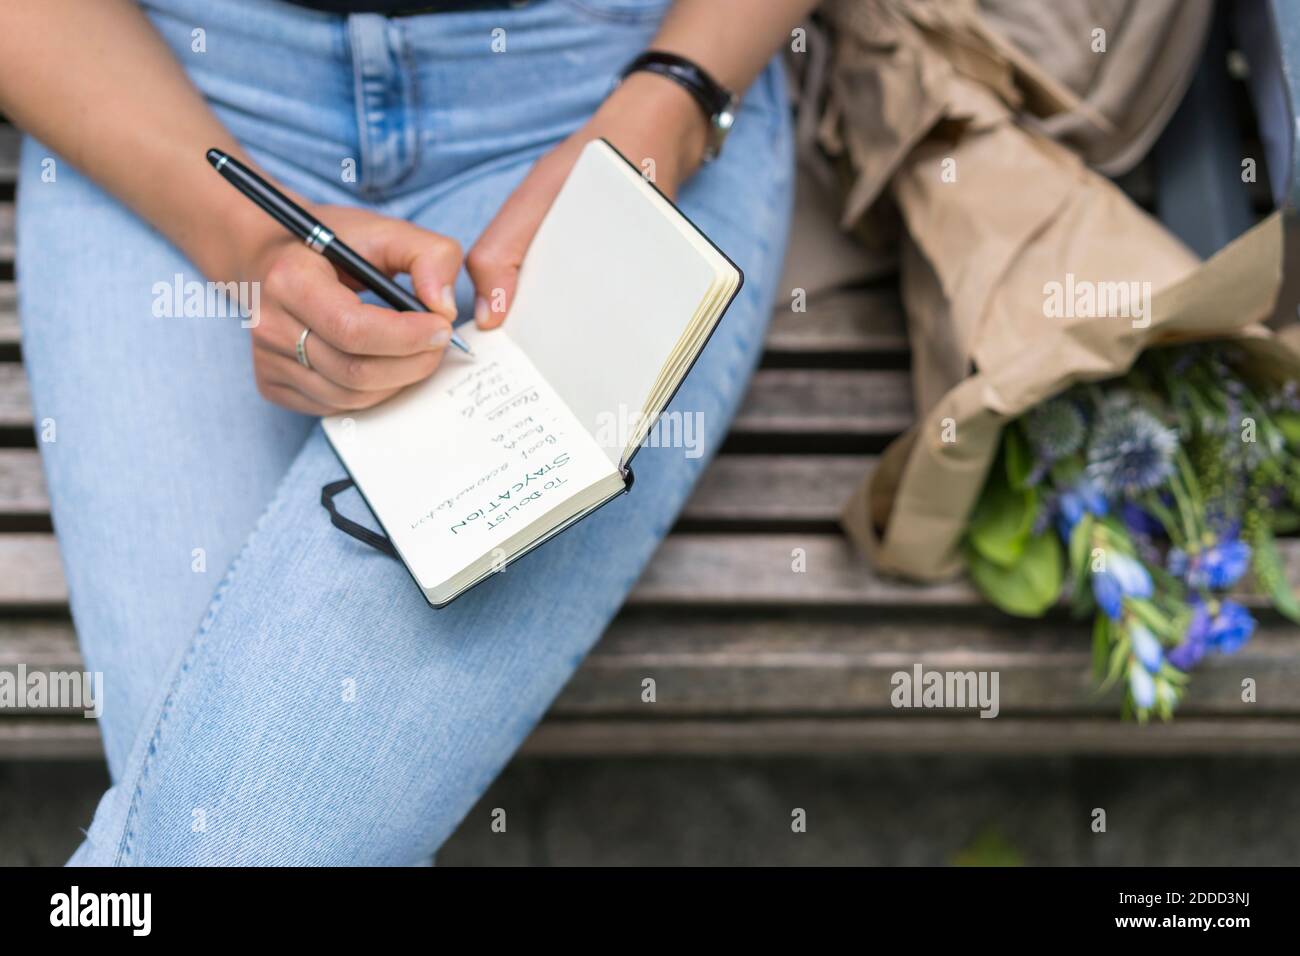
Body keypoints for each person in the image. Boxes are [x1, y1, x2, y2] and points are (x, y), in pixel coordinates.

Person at [0, 0, 806, 864]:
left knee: (234, 835)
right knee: (232, 829)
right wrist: (250, 244)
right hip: (151, 94)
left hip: (611, 89)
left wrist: (674, 96)